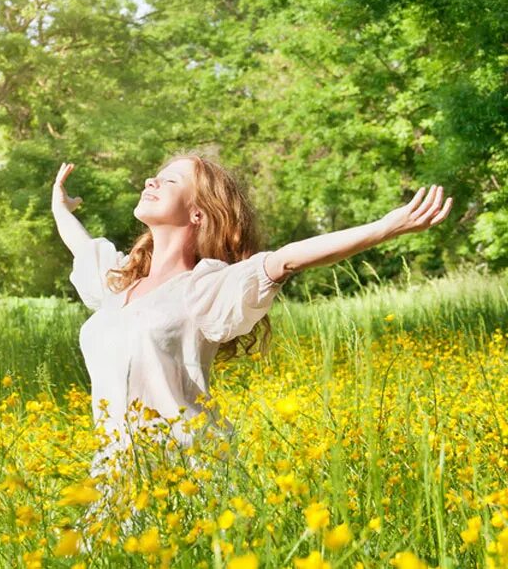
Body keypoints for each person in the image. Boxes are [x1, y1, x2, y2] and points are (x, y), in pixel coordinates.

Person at [51, 151, 453, 540]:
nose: (150, 181)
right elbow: (83, 248)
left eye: (170, 180)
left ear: (198, 213)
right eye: (156, 176)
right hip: (116, 474)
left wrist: (384, 227)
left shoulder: (204, 287)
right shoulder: (120, 284)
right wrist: (62, 208)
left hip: (186, 472)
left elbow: (286, 259)